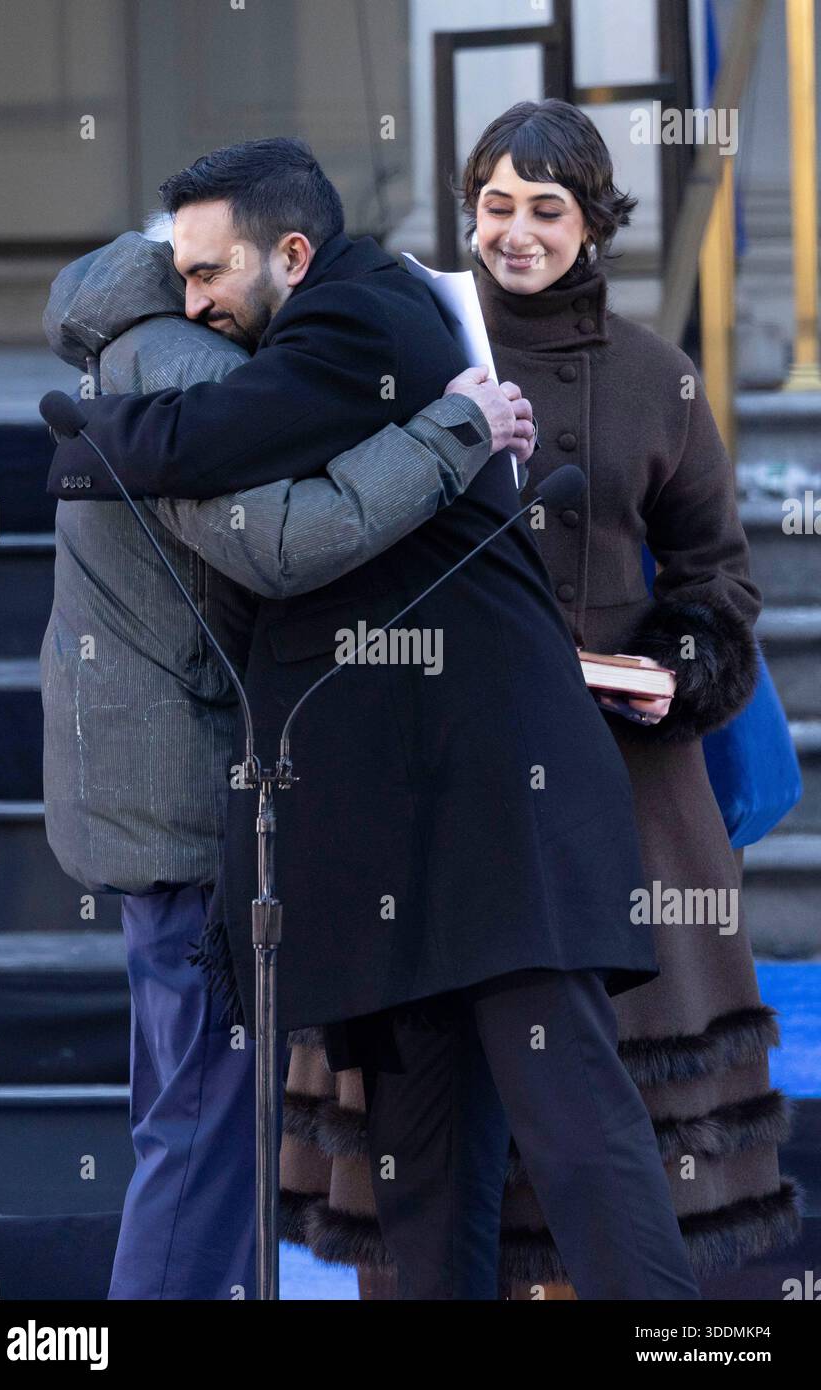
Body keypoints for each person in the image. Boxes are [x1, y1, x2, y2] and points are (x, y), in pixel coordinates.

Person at [47, 136, 702, 1300]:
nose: (195, 301)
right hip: (398, 812)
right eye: (180, 277)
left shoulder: (365, 320)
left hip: (496, 797)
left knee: (574, 1131)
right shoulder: (313, 329)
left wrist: (84, 433)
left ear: (290, 255)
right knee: (429, 1169)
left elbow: (219, 457)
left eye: (209, 274)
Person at [278, 102, 803, 1300]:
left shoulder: (657, 376)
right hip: (434, 780)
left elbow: (719, 574)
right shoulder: (406, 353)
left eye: (546, 209)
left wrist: (674, 665)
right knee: (436, 1138)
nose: (516, 233)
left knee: (598, 1131)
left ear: (594, 222)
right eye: (497, 206)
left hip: (619, 791)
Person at [41, 217, 530, 1300]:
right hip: (179, 792)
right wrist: (457, 430)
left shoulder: (134, 339)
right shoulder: (185, 366)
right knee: (206, 1134)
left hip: (143, 781)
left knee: (187, 1119)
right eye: (206, 273)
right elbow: (285, 542)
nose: (220, 294)